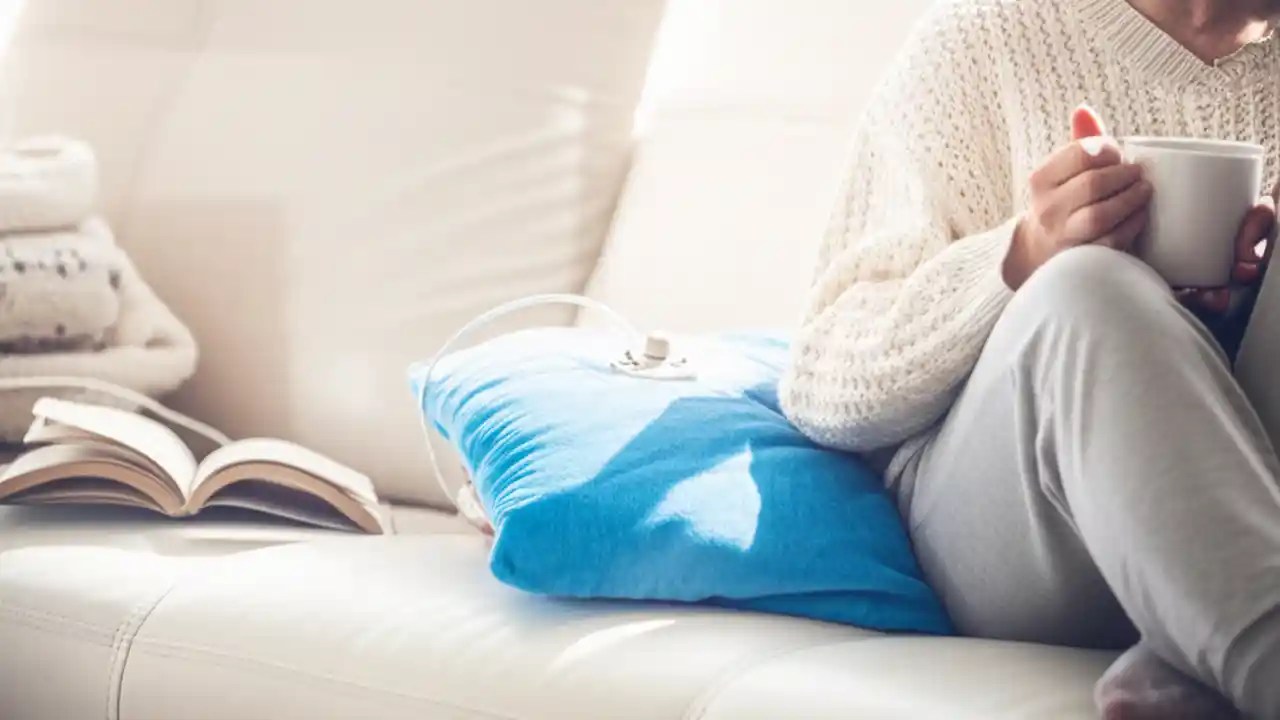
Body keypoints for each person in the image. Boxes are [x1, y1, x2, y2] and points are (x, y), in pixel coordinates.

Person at [779, 0, 1280, 717]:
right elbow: (823, 379)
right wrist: (1018, 259)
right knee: (1088, 289)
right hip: (1019, 527)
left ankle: (1192, 648)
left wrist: (1252, 312)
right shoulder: (983, 39)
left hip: (1247, 497)